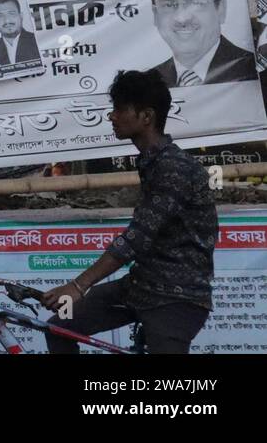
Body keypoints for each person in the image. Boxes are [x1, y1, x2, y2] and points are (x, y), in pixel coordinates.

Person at [40, 70, 216, 353]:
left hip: (177, 297)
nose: (111, 117)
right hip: (140, 285)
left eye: (120, 109)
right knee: (58, 327)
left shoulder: (174, 168)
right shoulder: (152, 162)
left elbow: (137, 237)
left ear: (146, 117)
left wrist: (78, 286)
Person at [145, 0, 255, 86]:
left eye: (195, 3)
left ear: (221, 9)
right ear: (155, 15)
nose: (182, 18)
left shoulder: (253, 69)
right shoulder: (148, 83)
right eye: (169, 5)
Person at [0, 0, 38, 66]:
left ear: (21, 16)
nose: (7, 20)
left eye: (11, 13)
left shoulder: (37, 41)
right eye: (0, 16)